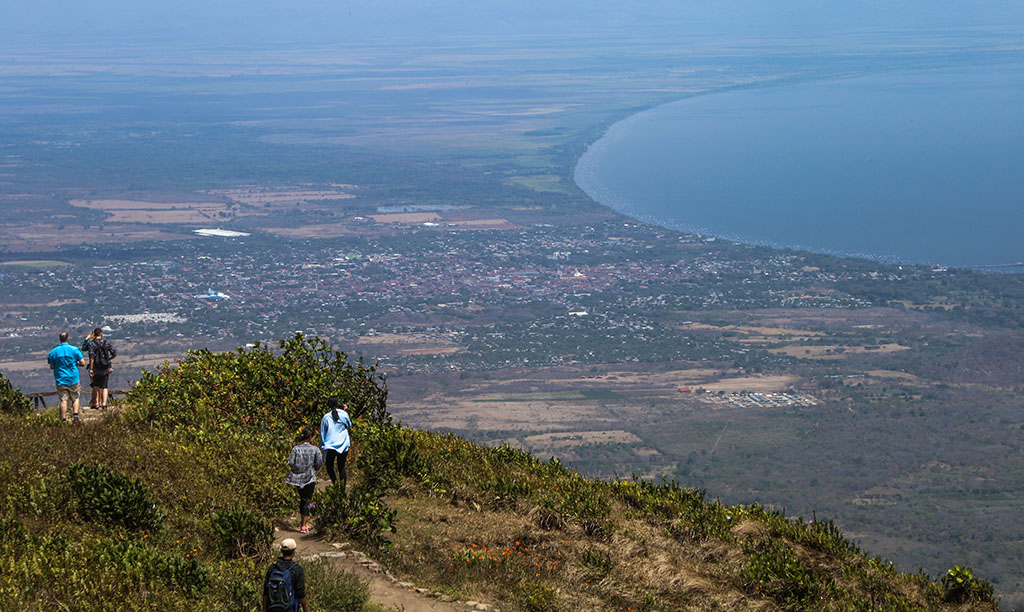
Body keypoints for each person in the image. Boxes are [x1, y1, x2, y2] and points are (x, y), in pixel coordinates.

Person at [286, 427, 323, 534]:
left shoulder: (296, 449)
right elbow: (319, 464)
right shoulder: (315, 449)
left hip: (297, 479)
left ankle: (303, 523)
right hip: (310, 478)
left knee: (303, 500)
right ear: (310, 437)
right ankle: (304, 525)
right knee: (307, 500)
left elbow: (290, 462)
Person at [47, 331, 86, 424]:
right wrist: (77, 363)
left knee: (63, 400)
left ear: (60, 339)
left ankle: (63, 420)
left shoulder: (53, 352)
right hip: (73, 378)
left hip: (61, 378)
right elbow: (83, 363)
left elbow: (52, 366)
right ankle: (75, 417)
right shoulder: (75, 350)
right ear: (68, 338)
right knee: (75, 397)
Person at [263, 538, 308, 612]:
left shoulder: (272, 567)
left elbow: (266, 591)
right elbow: (300, 593)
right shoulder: (297, 569)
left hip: (272, 608)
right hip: (290, 609)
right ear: (294, 551)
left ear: (281, 551)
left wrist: (264, 609)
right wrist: (305, 609)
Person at [320, 397, 352, 490]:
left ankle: (335, 484)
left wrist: (323, 445)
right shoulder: (344, 414)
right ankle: (342, 490)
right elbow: (349, 425)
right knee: (341, 467)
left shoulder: (326, 417)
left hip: (330, 445)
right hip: (343, 444)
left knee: (329, 466)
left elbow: (323, 433)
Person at [86, 327, 117, 410]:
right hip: (105, 367)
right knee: (104, 386)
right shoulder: (106, 343)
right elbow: (114, 353)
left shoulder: (92, 344)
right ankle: (104, 404)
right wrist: (109, 359)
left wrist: (91, 369)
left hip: (96, 367)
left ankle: (96, 404)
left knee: (95, 386)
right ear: (101, 334)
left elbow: (91, 357)